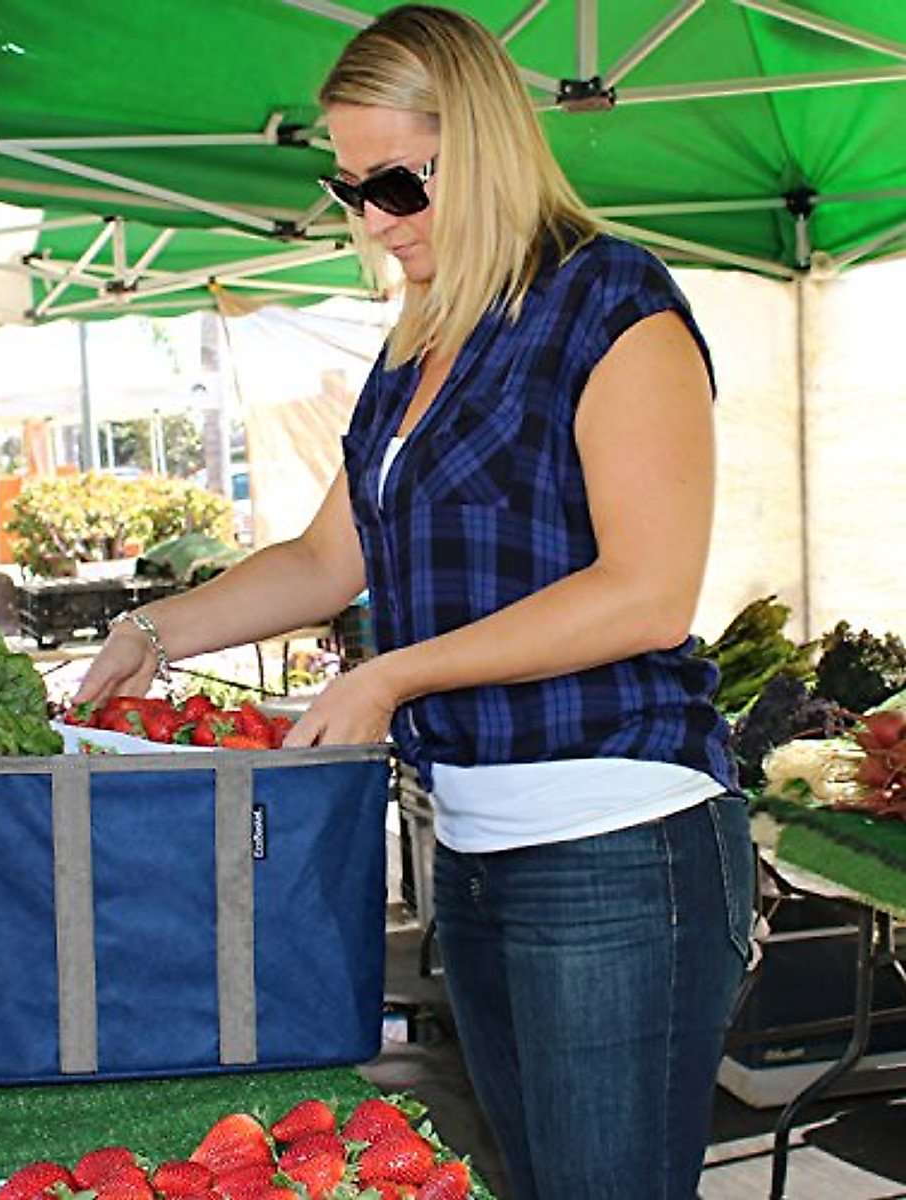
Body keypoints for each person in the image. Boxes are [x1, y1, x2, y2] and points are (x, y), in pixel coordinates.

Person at [74, 6, 752, 1197]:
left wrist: (391, 673)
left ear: (483, 144)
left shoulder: (614, 307)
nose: (375, 221)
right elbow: (328, 560)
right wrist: (148, 634)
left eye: (397, 182)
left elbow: (647, 594)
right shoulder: (416, 343)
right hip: (477, 847)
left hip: (617, 836)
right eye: (351, 188)